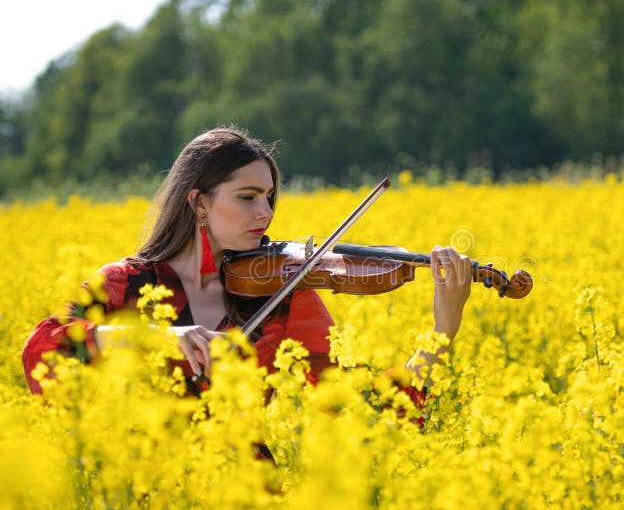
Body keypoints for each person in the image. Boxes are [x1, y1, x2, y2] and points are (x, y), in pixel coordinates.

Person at [22, 127, 472, 399]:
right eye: (248, 197)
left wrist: (440, 336)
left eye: (269, 197)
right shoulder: (124, 284)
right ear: (198, 203)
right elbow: (41, 352)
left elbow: (358, 409)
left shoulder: (285, 296)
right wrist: (155, 337)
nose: (267, 212)